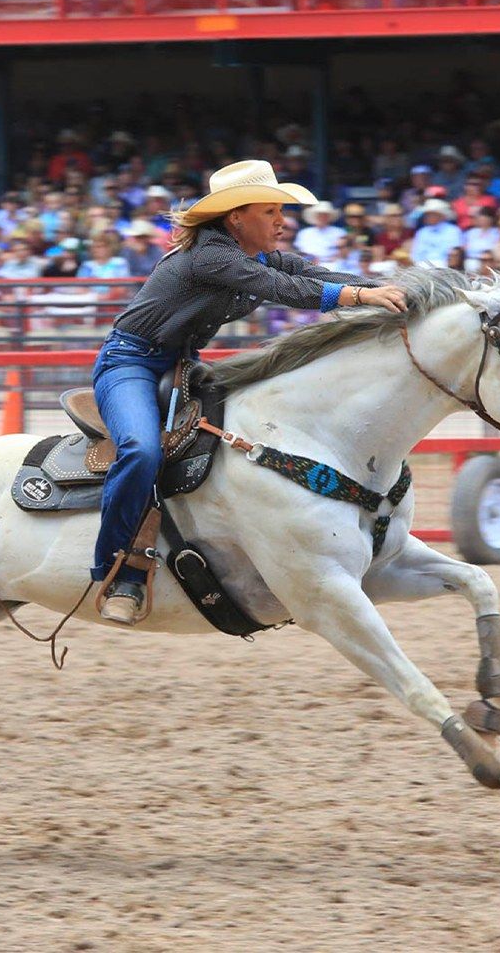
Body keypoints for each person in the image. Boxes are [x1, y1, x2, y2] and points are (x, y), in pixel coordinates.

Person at [91, 159, 406, 625]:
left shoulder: (252, 256)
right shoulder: (211, 256)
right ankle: (115, 568)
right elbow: (285, 288)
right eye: (270, 212)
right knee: (140, 450)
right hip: (130, 361)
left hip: (182, 363)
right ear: (236, 216)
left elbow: (315, 274)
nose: (282, 222)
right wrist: (362, 299)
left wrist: (393, 290)